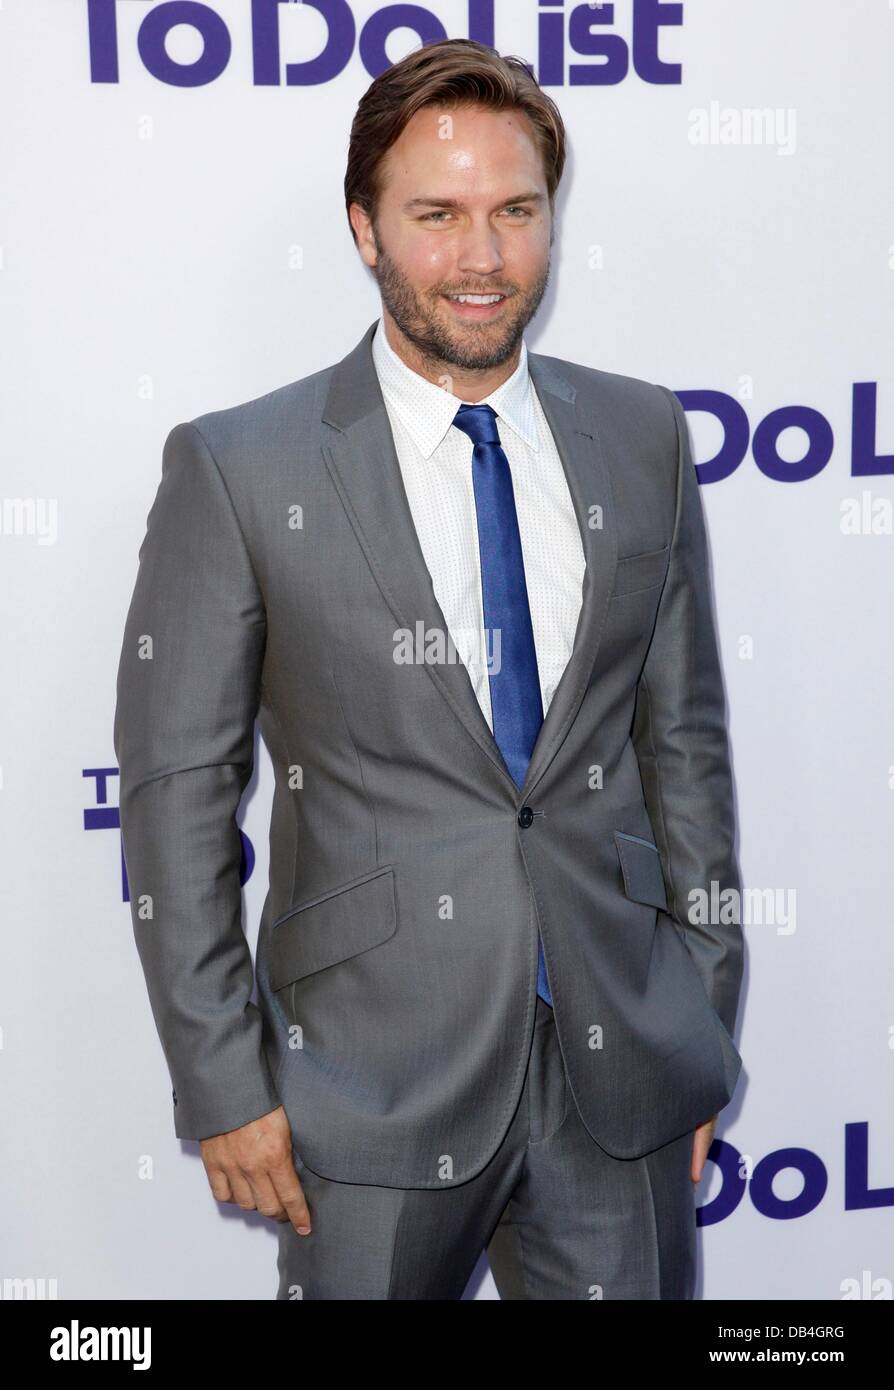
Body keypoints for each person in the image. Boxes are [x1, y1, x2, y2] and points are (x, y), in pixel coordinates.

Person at [114, 37, 744, 1300]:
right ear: (364, 227)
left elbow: (687, 749)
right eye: (437, 215)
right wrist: (225, 1082)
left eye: (517, 211)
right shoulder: (244, 469)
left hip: (619, 1079)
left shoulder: (642, 432)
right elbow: (177, 797)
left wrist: (701, 1026)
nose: (483, 258)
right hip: (364, 1092)